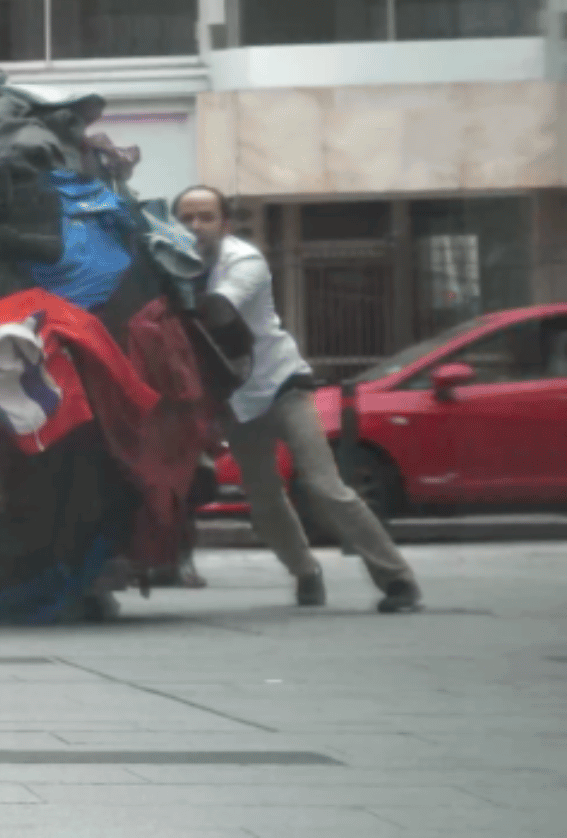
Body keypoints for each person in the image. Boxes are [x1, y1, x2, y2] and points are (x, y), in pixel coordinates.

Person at [173, 186, 422, 614]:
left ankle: (398, 580)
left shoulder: (243, 261)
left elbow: (218, 307)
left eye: (206, 217)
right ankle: (306, 572)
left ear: (225, 224)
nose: (196, 227)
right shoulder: (174, 262)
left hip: (282, 384)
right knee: (264, 499)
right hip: (236, 397)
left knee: (325, 487)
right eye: (186, 218)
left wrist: (177, 287)